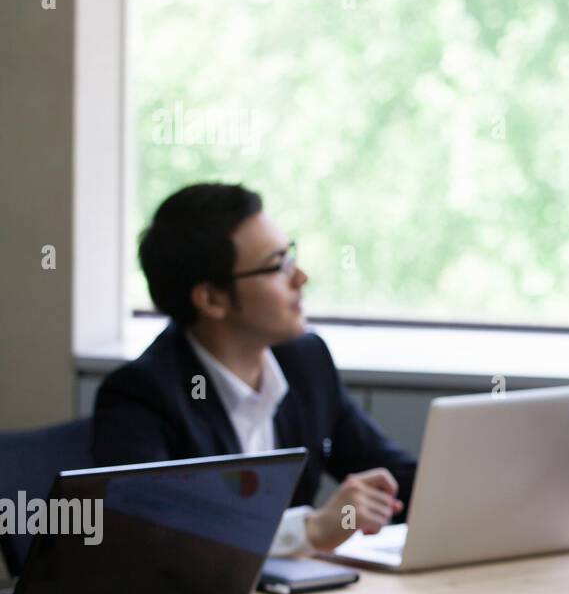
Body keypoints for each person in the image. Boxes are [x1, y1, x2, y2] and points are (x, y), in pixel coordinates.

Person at [92, 183, 415, 557]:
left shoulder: (305, 361)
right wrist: (310, 530)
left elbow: (398, 478)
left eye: (290, 257)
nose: (300, 278)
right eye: (277, 266)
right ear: (212, 299)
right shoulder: (141, 395)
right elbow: (156, 538)